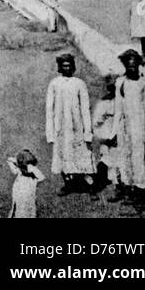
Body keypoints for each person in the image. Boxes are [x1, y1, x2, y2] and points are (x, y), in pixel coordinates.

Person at [112, 48, 145, 210]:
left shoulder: (144, 84)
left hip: (140, 128)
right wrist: (115, 130)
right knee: (127, 158)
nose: (131, 68)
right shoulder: (121, 83)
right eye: (128, 65)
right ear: (124, 66)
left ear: (138, 65)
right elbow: (118, 108)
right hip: (125, 129)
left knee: (143, 160)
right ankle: (131, 190)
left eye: (134, 65)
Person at [45, 52, 94, 195]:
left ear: (73, 67)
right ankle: (68, 184)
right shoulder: (54, 84)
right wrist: (51, 132)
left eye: (69, 66)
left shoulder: (79, 84)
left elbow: (85, 108)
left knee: (82, 153)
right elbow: (49, 109)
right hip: (61, 127)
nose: (67, 69)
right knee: (63, 153)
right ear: (59, 68)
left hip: (77, 126)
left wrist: (87, 130)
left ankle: (90, 185)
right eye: (64, 66)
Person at [6, 150, 46, 218]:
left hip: (26, 195)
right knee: (18, 207)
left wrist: (30, 170)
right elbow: (14, 170)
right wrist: (11, 162)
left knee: (25, 209)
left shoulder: (31, 170)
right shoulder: (20, 169)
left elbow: (42, 177)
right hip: (19, 193)